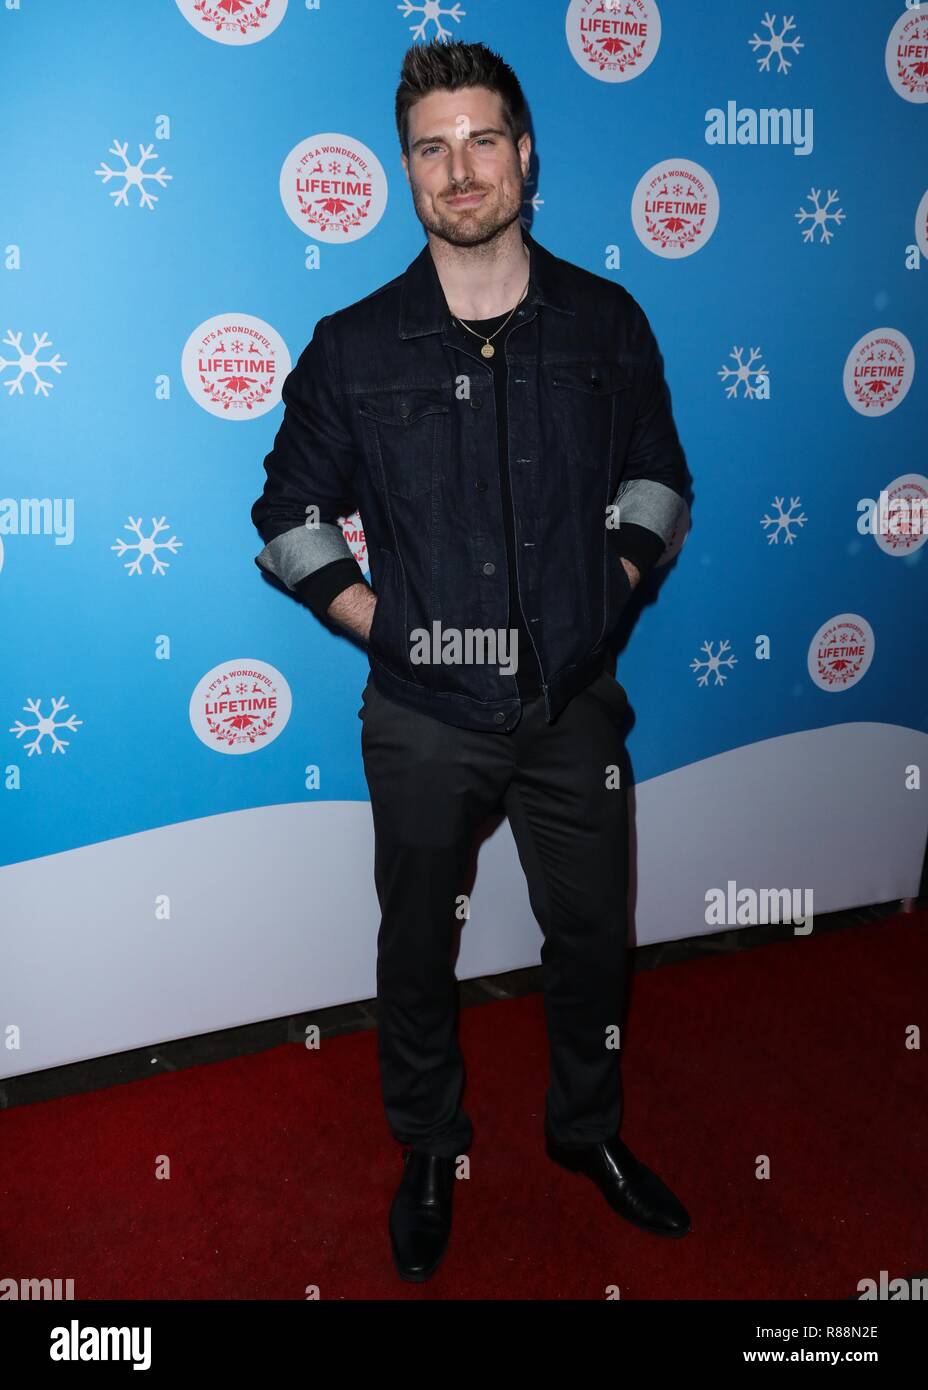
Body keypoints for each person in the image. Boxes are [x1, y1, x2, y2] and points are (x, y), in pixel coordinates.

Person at [251, 38, 691, 1283]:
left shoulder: (606, 321)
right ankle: (431, 1145)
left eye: (482, 139)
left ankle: (585, 1133)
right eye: (433, 148)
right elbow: (286, 518)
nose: (460, 169)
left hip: (572, 707)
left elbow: (658, 476)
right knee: (416, 945)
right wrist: (380, 627)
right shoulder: (354, 344)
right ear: (405, 171)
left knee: (594, 939)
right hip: (422, 719)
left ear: (525, 153)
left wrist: (609, 591)